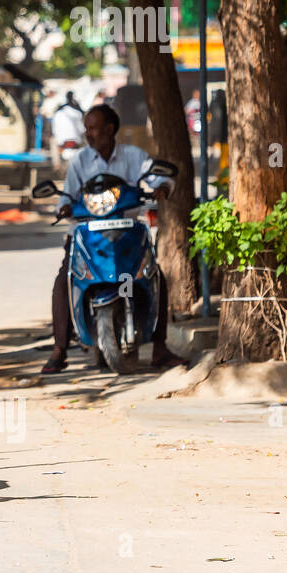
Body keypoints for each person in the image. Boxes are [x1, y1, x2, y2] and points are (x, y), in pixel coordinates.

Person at [42, 104, 188, 374]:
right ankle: (59, 350)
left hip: (127, 234)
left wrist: (162, 188)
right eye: (87, 129)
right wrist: (62, 207)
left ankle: (160, 348)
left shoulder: (134, 156)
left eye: (93, 128)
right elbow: (67, 196)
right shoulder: (80, 161)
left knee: (156, 277)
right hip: (88, 234)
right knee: (64, 280)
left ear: (110, 129)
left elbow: (155, 177)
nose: (89, 134)